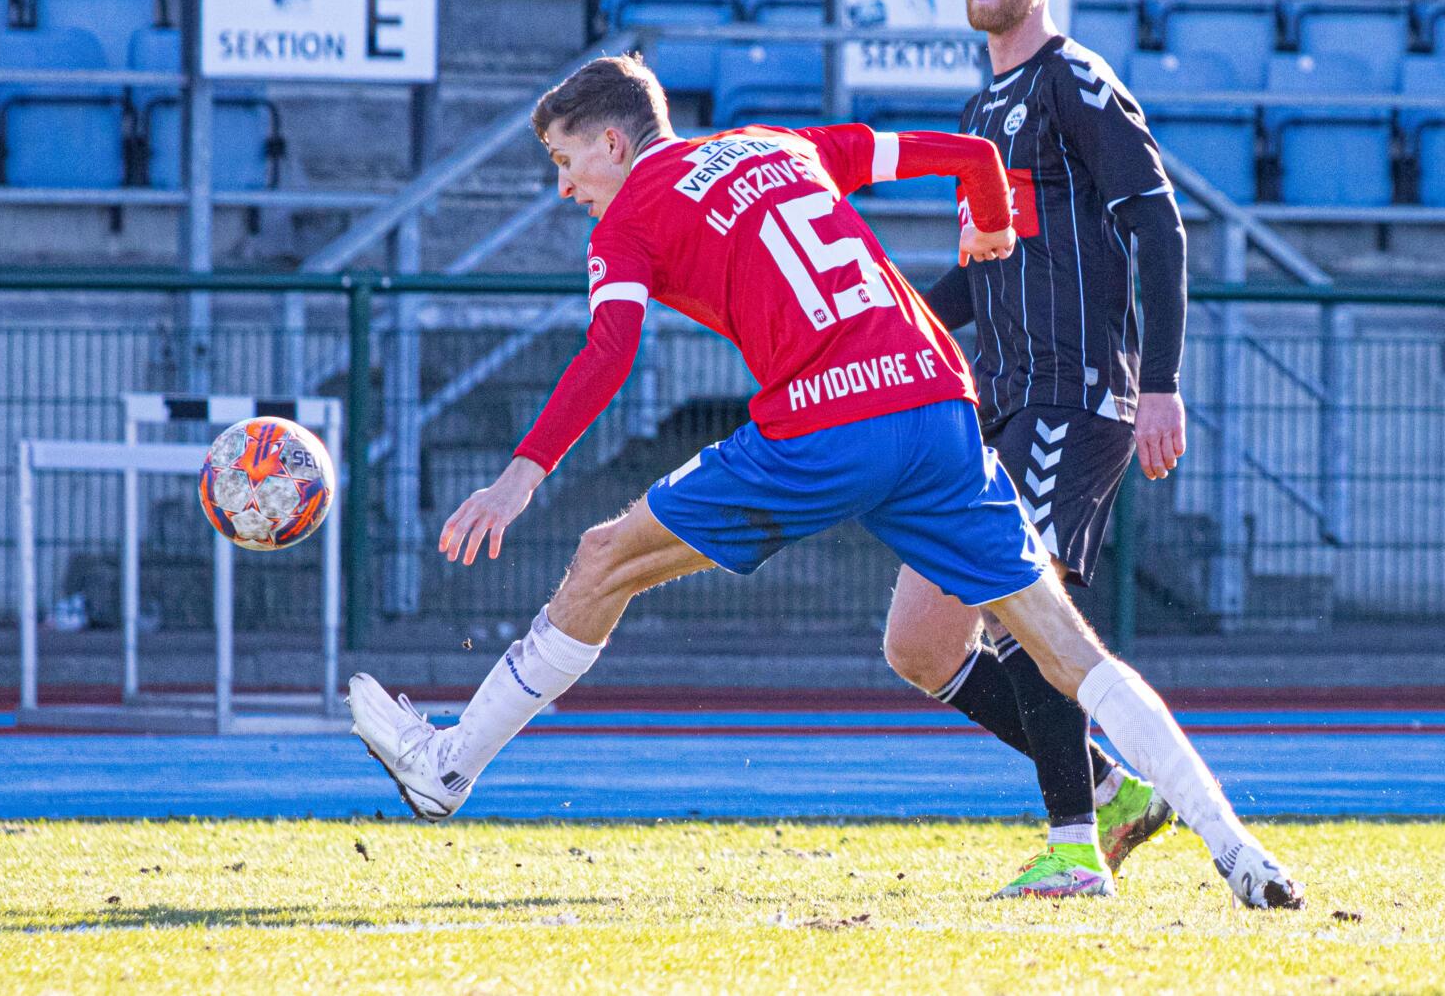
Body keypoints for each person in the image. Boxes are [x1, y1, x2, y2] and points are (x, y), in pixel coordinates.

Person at [345, 52, 1302, 909]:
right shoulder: (780, 141)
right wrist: (991, 227)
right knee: (1066, 646)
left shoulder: (632, 212)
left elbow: (609, 350)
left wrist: (521, 475)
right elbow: (970, 156)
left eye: (564, 161)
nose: (564, 187)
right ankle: (1236, 847)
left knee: (603, 559)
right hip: (936, 404)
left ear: (611, 142)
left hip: (824, 419)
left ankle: (449, 765)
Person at [879, 0, 1195, 899]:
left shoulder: (1076, 80)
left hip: (1075, 397)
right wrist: (884, 327)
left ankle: (1072, 850)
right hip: (1001, 402)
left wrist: (1161, 384)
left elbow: (1158, 227)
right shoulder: (981, 112)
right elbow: (985, 271)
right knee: (920, 642)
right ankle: (1107, 788)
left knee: (1021, 608)